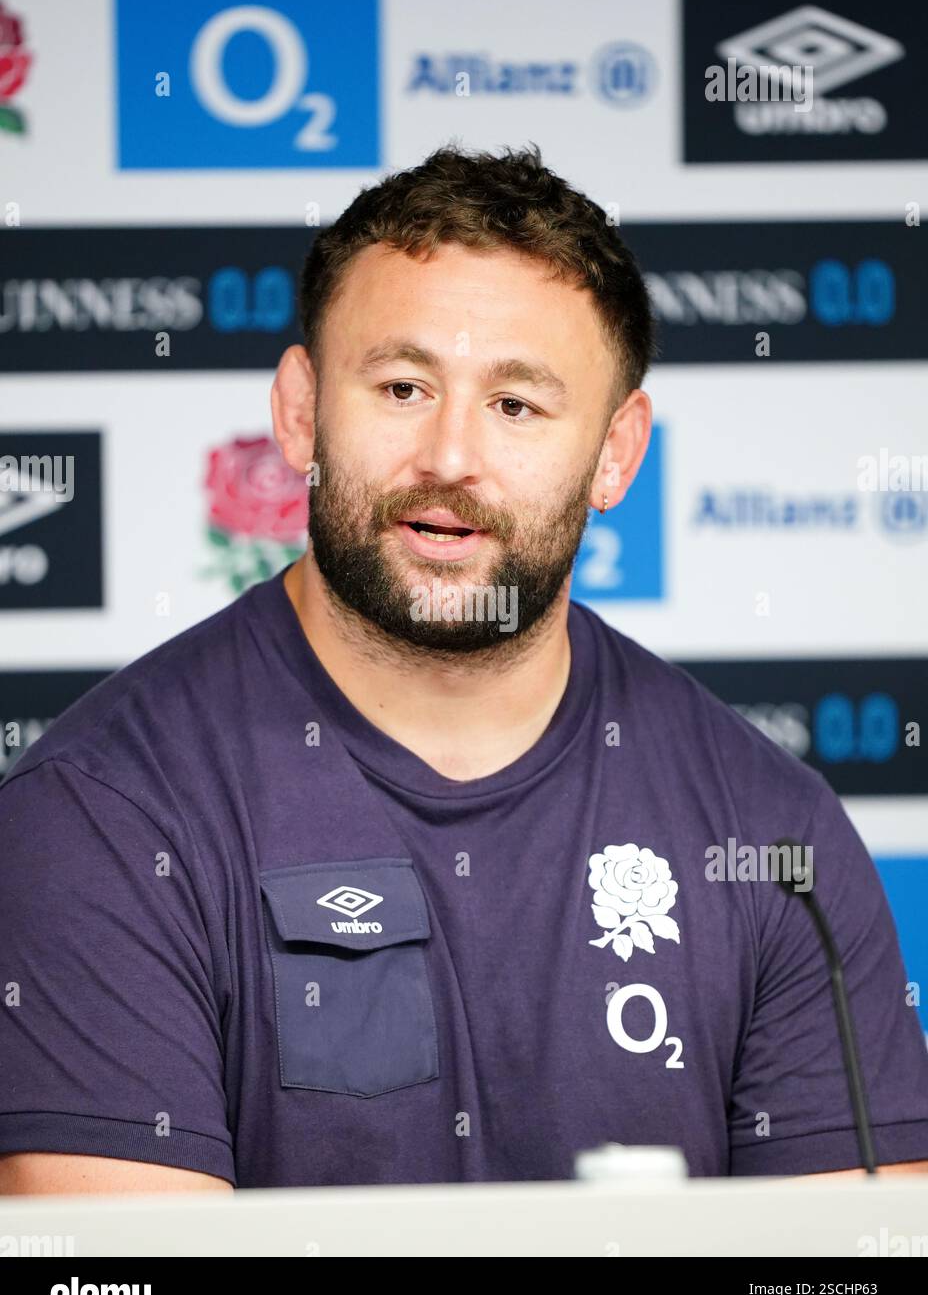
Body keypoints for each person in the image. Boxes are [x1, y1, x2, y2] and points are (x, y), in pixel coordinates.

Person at [1, 143, 926, 1196]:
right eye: (402, 386)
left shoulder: (772, 841)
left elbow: (838, 1287)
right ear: (300, 410)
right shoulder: (103, 816)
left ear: (616, 453)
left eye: (516, 405)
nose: (449, 456)